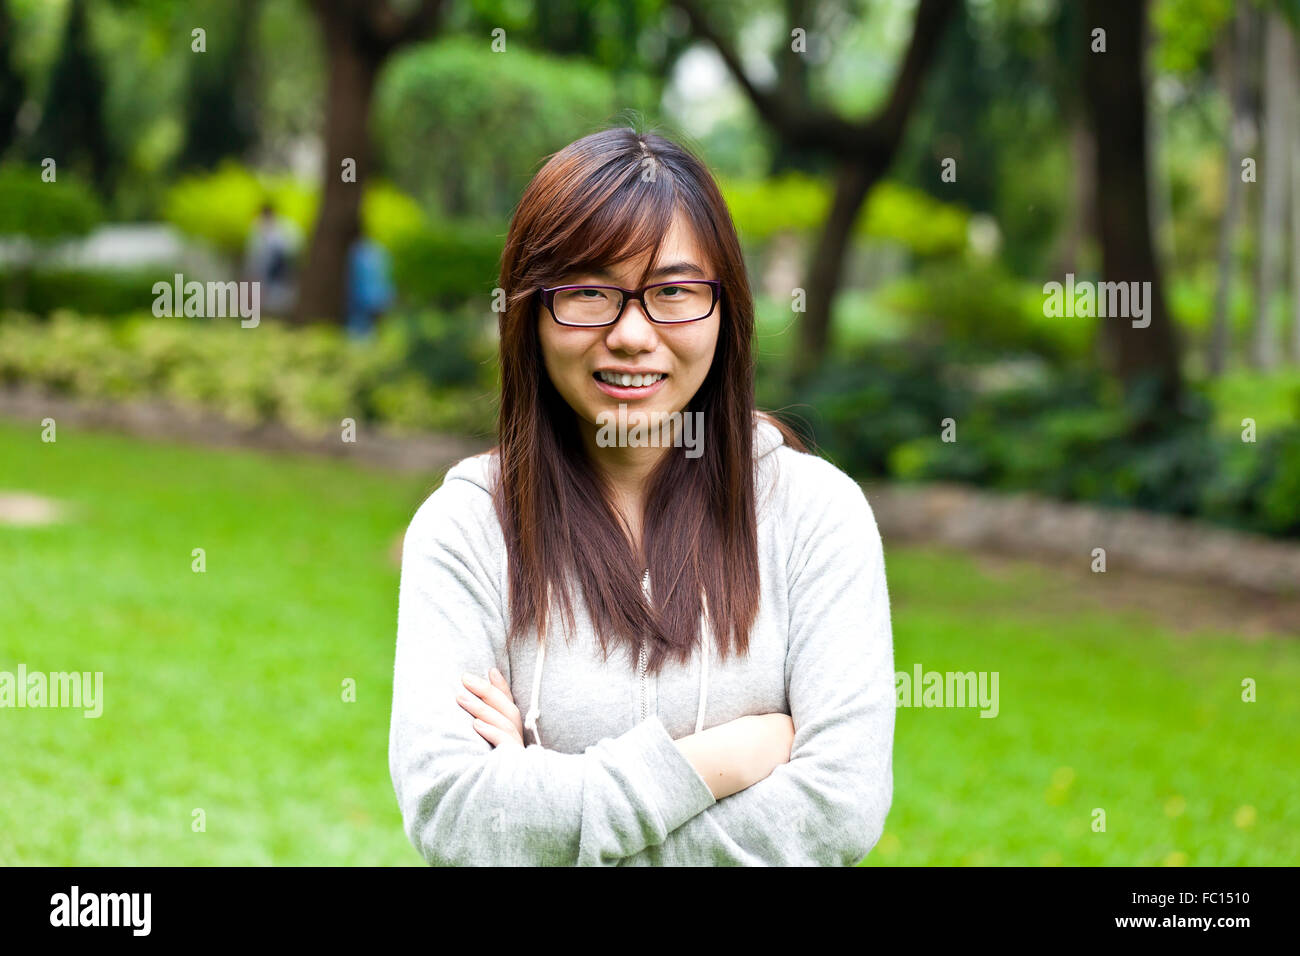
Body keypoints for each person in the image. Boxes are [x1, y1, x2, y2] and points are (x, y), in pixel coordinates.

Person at [388, 127, 895, 866]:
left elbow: (837, 811)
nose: (631, 334)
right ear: (530, 311)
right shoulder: (467, 529)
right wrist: (723, 761)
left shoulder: (815, 516)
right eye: (589, 292)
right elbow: (456, 816)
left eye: (673, 293)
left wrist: (541, 789)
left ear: (725, 312)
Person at [243, 201, 298, 317]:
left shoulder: (284, 227)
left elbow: (290, 249)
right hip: (264, 270)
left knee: (278, 296)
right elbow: (254, 255)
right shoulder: (257, 227)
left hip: (279, 269)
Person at [345, 227, 394, 340]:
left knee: (359, 328)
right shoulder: (381, 251)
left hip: (361, 297)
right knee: (375, 329)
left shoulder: (356, 252)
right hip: (379, 296)